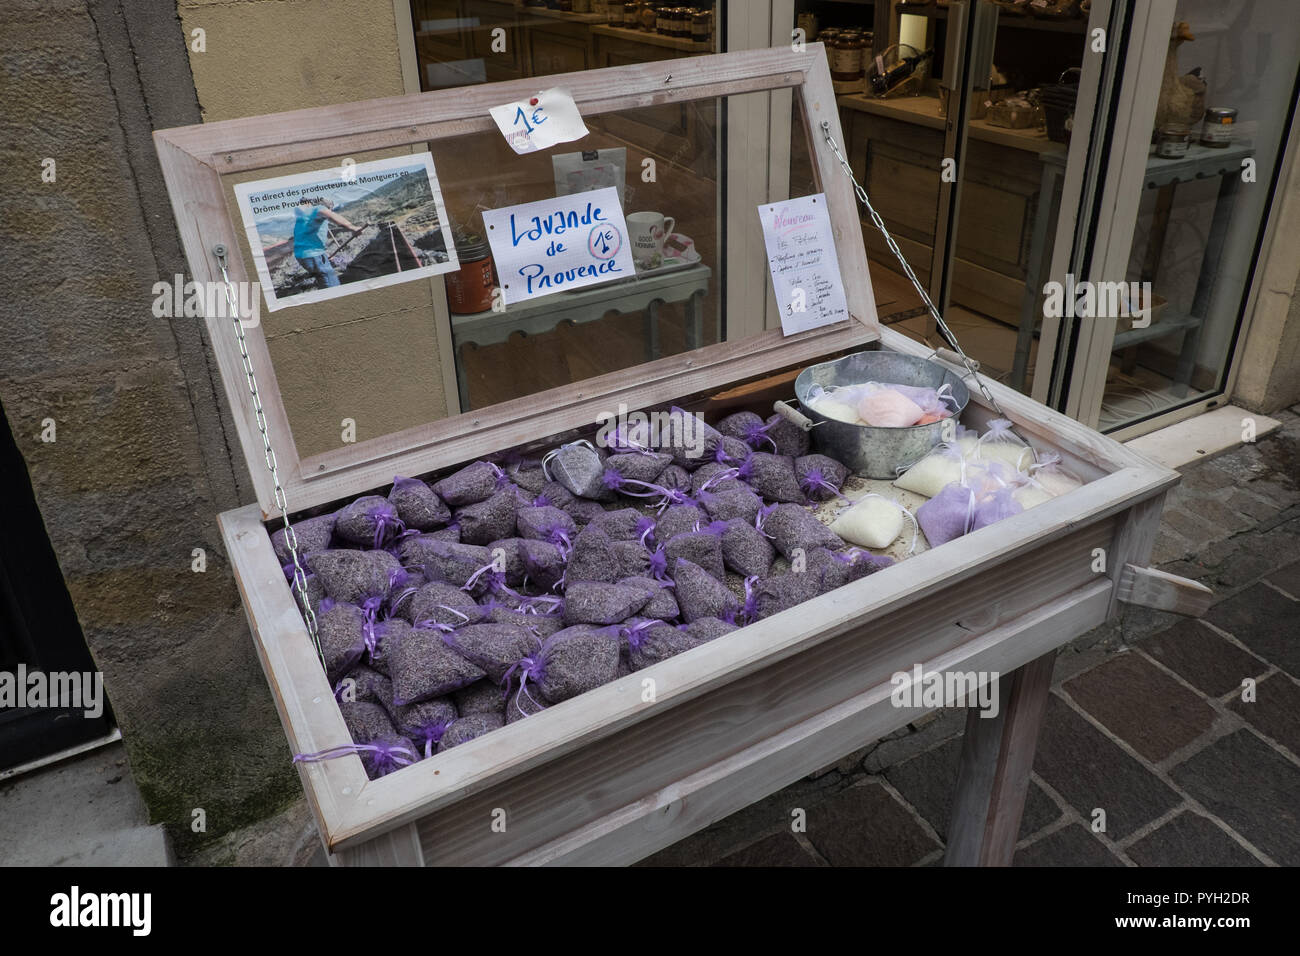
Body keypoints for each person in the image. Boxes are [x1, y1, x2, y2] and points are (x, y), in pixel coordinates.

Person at [292, 196, 363, 288]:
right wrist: (352, 227)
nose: (331, 211)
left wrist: (324, 255)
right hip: (313, 256)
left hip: (302, 256)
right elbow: (330, 215)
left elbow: (309, 237)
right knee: (331, 284)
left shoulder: (304, 216)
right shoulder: (319, 209)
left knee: (322, 277)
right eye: (330, 209)